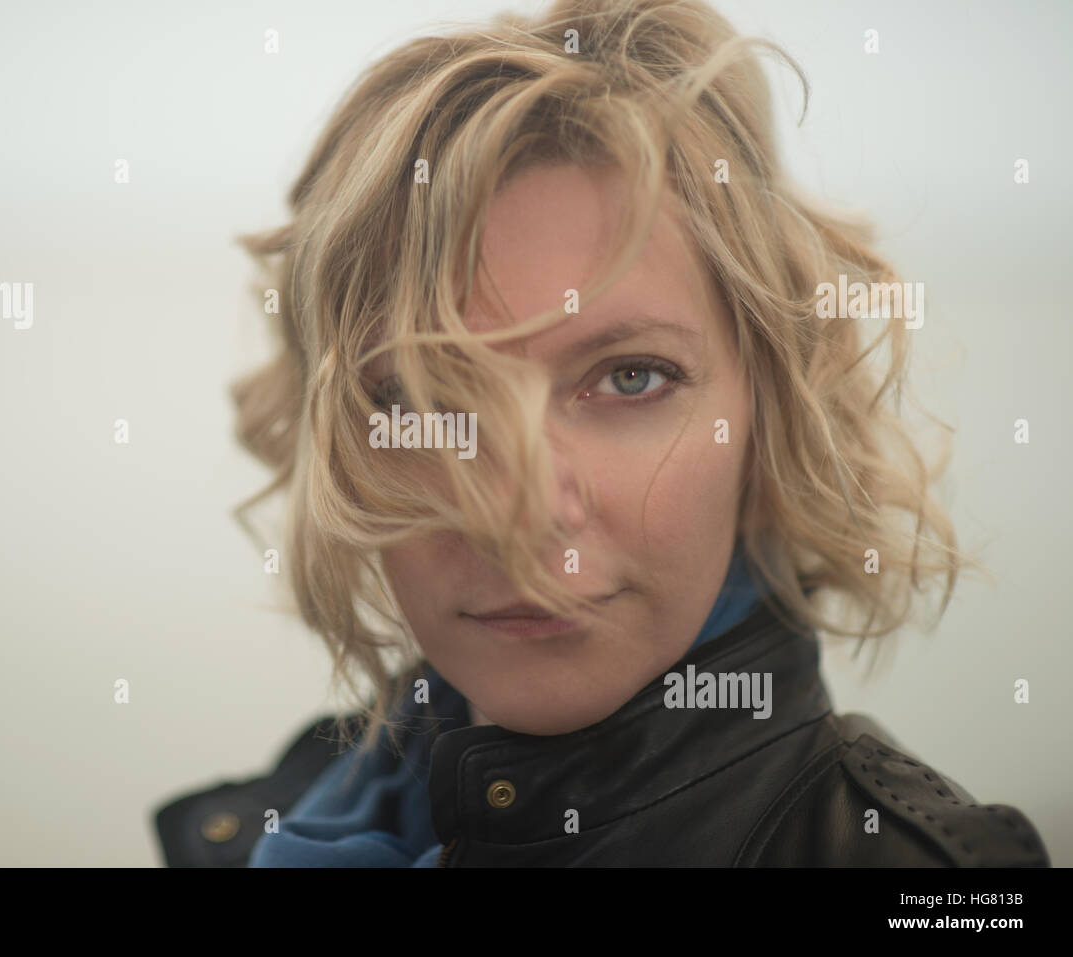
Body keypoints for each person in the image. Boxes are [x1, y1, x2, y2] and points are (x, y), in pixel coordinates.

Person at [155, 0, 1049, 867]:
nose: (523, 507)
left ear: (775, 408)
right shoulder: (289, 810)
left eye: (631, 377)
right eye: (425, 400)